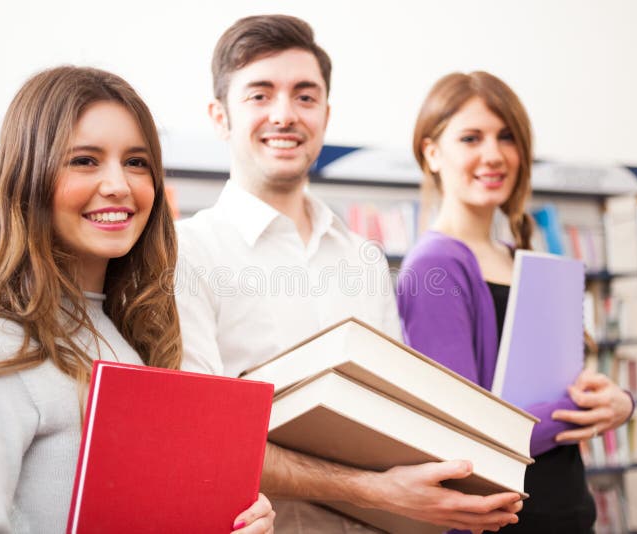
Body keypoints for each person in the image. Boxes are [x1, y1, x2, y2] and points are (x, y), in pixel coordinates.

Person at [176, 15, 523, 533]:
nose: (285, 114)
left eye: (305, 96)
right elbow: (205, 441)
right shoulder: (187, 253)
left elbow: (395, 415)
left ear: (326, 113)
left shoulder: (363, 257)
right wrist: (372, 488)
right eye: (259, 95)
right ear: (220, 116)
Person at [0, 66, 274, 534]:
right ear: (30, 176)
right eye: (85, 160)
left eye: (137, 162)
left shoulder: (129, 335)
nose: (118, 185)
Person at [398, 71, 635, 533]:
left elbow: (553, 388)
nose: (494, 154)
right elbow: (466, 433)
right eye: (471, 138)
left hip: (565, 513)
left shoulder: (521, 258)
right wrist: (590, 411)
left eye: (507, 137)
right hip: (501, 523)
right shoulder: (434, 268)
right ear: (432, 153)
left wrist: (615, 400)